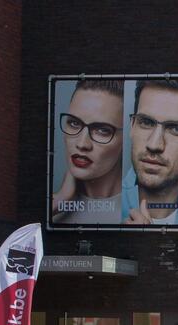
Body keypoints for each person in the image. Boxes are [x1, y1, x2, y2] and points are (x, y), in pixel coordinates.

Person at [122, 78, 178, 225]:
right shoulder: (103, 209)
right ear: (132, 126)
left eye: (176, 129)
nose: (154, 145)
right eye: (146, 122)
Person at [52, 79, 125, 224]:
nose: (82, 144)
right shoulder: (52, 207)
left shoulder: (138, 214)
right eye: (74, 123)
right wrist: (59, 200)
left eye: (102, 130)